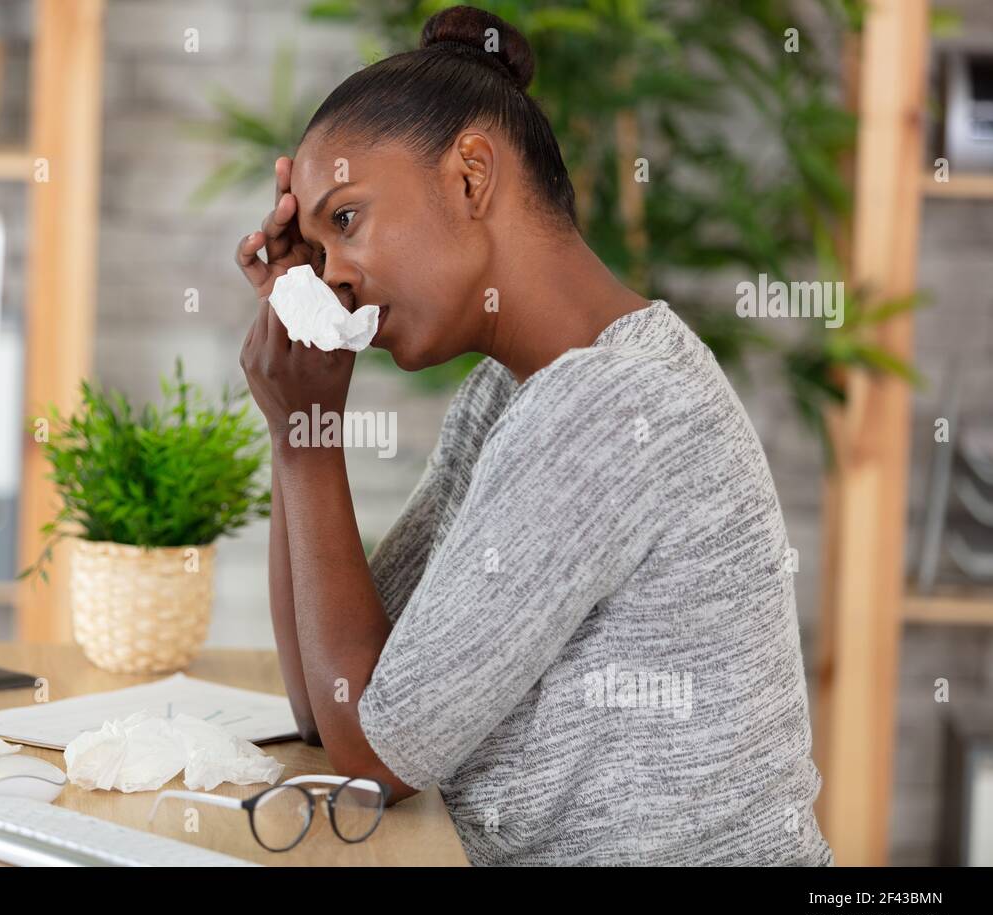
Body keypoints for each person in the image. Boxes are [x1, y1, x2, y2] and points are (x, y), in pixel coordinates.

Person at [234, 4, 832, 866]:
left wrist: (305, 439)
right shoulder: (509, 395)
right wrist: (298, 416)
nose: (335, 280)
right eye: (318, 253)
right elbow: (332, 710)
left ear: (471, 176)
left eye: (348, 221)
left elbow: (374, 755)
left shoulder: (610, 405)